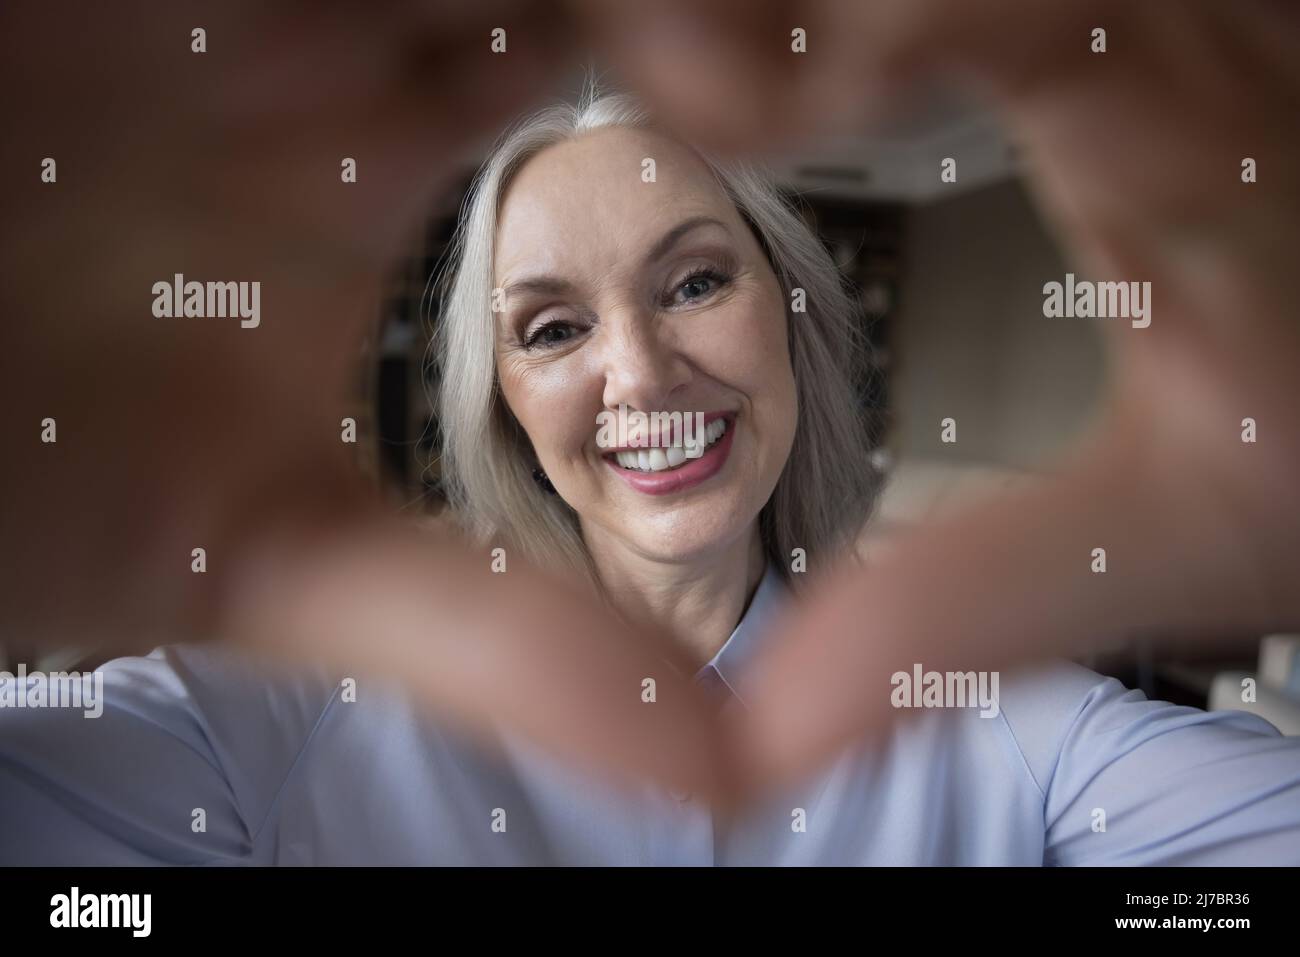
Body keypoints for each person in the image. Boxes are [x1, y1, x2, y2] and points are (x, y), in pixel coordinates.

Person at [4, 81, 1298, 865]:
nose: (641, 371)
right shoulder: (273, 722)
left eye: (694, 282)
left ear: (790, 319)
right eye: (554, 328)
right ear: (505, 403)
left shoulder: (1010, 733)